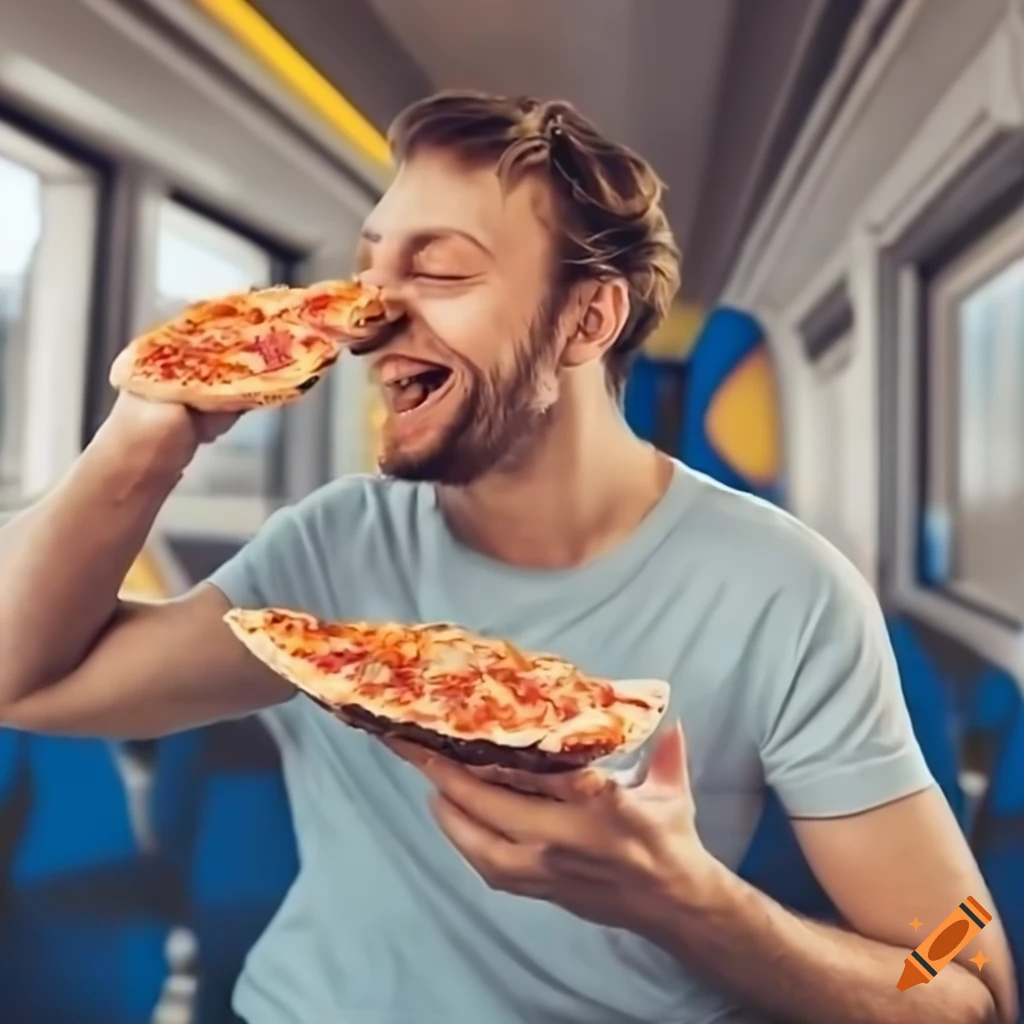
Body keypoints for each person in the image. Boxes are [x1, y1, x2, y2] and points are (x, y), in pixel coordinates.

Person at [0, 91, 1015, 1024]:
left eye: (437, 268)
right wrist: (144, 436)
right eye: (368, 267)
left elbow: (963, 968)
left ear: (588, 318)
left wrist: (694, 903)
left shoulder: (787, 589)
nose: (371, 314)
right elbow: (22, 679)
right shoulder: (331, 539)